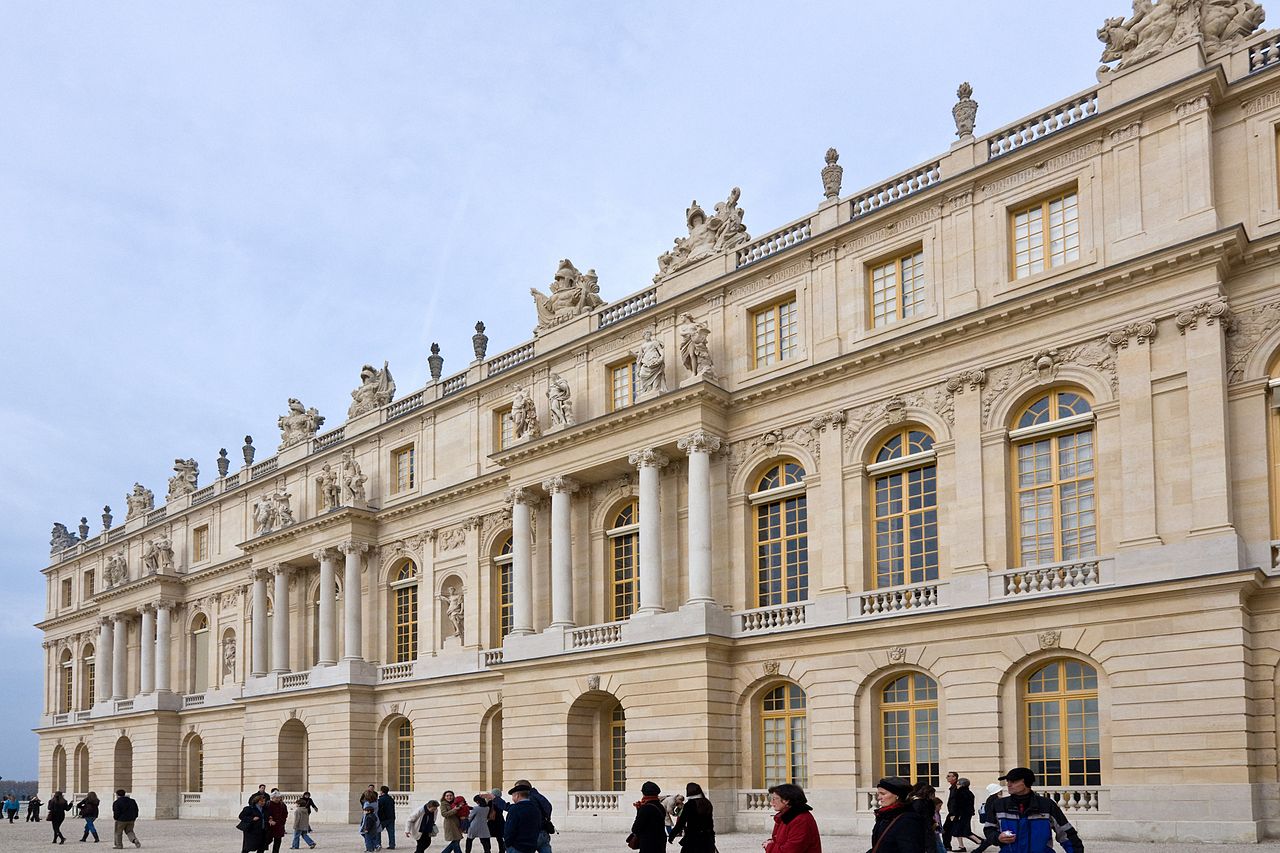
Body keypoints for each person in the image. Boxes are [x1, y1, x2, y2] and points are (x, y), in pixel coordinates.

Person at [983, 768, 1082, 853]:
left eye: (1013, 781)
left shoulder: (1047, 805)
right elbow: (989, 829)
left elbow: (1067, 834)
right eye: (1008, 781)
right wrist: (998, 837)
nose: (1008, 784)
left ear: (1025, 782)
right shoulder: (999, 805)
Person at [869, 777, 929, 853]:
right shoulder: (884, 815)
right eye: (878, 794)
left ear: (897, 795)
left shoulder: (908, 820)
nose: (879, 798)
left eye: (883, 794)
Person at [764, 783, 821, 853]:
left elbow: (791, 850)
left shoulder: (801, 820)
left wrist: (769, 847)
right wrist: (772, 842)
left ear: (786, 800)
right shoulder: (785, 816)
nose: (771, 803)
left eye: (774, 799)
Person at [670, 782, 715, 853]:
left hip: (693, 838)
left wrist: (672, 834)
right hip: (707, 838)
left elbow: (681, 822)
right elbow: (710, 822)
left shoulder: (689, 805)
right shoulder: (707, 803)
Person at [944, 777, 984, 853]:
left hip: (961, 815)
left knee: (965, 831)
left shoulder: (959, 793)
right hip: (966, 814)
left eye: (958, 784)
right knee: (958, 830)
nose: (957, 785)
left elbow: (958, 805)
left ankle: (980, 842)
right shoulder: (969, 793)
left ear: (962, 785)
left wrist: (955, 815)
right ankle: (961, 846)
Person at [501, 785, 541, 853]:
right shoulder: (535, 808)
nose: (513, 799)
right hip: (531, 846)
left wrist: (507, 844)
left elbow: (509, 829)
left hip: (516, 847)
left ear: (517, 795)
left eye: (513, 796)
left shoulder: (515, 809)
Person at [629, 781, 666, 853]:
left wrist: (639, 811)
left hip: (648, 843)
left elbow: (635, 829)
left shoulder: (645, 808)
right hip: (660, 841)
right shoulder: (660, 806)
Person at [970, 785, 1004, 853]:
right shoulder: (997, 800)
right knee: (993, 840)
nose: (1001, 791)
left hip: (989, 824)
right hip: (994, 824)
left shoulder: (990, 799)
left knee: (991, 840)